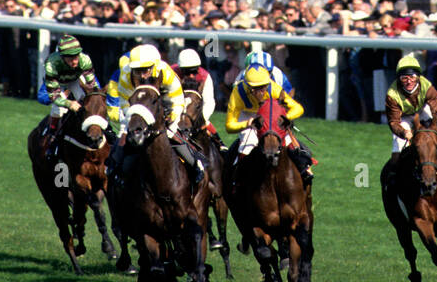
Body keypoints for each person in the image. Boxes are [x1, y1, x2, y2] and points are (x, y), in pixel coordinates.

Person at [106, 43, 205, 185]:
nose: (141, 75)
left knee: (171, 132)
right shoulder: (126, 76)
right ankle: (115, 169)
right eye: (137, 70)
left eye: (145, 70)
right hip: (136, 105)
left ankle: (197, 165)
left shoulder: (166, 72)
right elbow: (125, 105)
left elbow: (177, 99)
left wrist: (172, 116)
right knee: (125, 133)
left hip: (163, 99)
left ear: (154, 66)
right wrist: (138, 119)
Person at [225, 61, 313, 188]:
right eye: (256, 89)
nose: (261, 92)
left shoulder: (274, 88)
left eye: (263, 87)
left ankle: (304, 168)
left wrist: (284, 118)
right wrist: (247, 124)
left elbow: (298, 108)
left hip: (269, 114)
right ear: (248, 86)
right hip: (248, 116)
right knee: (247, 144)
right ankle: (238, 178)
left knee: (287, 140)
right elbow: (229, 125)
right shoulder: (238, 92)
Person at [382, 55, 437, 186]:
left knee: (436, 136)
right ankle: (393, 173)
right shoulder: (392, 94)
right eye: (404, 77)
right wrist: (403, 133)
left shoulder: (426, 86)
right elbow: (393, 121)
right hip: (403, 116)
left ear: (418, 77)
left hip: (421, 110)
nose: (409, 81)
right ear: (399, 79)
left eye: (412, 77)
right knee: (398, 146)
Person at [172, 46, 224, 147]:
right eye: (187, 72)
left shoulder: (205, 76)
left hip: (194, 111)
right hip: (175, 106)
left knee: (205, 122)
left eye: (194, 71)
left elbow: (209, 102)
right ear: (180, 69)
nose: (191, 75)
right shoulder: (172, 74)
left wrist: (200, 120)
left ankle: (220, 144)